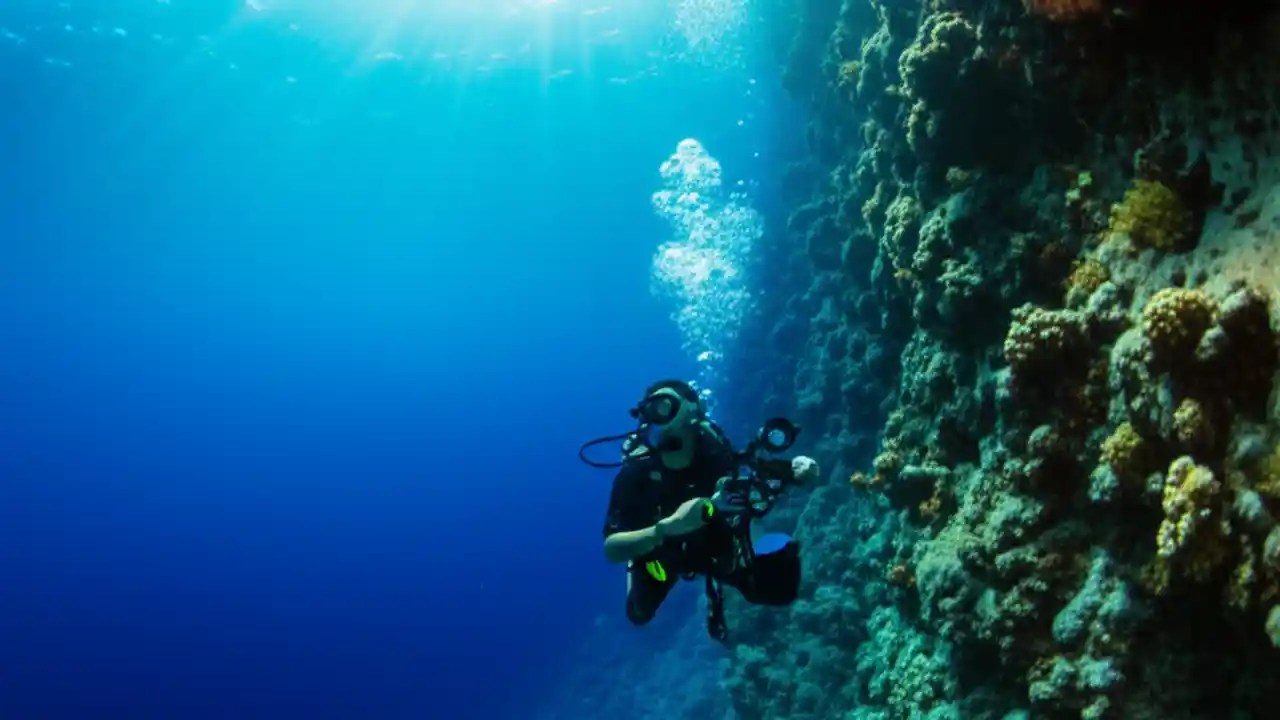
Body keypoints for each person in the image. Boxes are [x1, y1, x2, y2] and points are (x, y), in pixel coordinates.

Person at [595, 379, 820, 640]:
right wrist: (662, 529)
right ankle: (646, 561)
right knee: (638, 612)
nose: (657, 418)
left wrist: (793, 471)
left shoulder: (714, 451)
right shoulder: (637, 472)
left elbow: (748, 471)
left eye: (664, 405)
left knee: (780, 588)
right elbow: (612, 549)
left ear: (693, 409)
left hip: (712, 544)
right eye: (649, 410)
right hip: (662, 554)